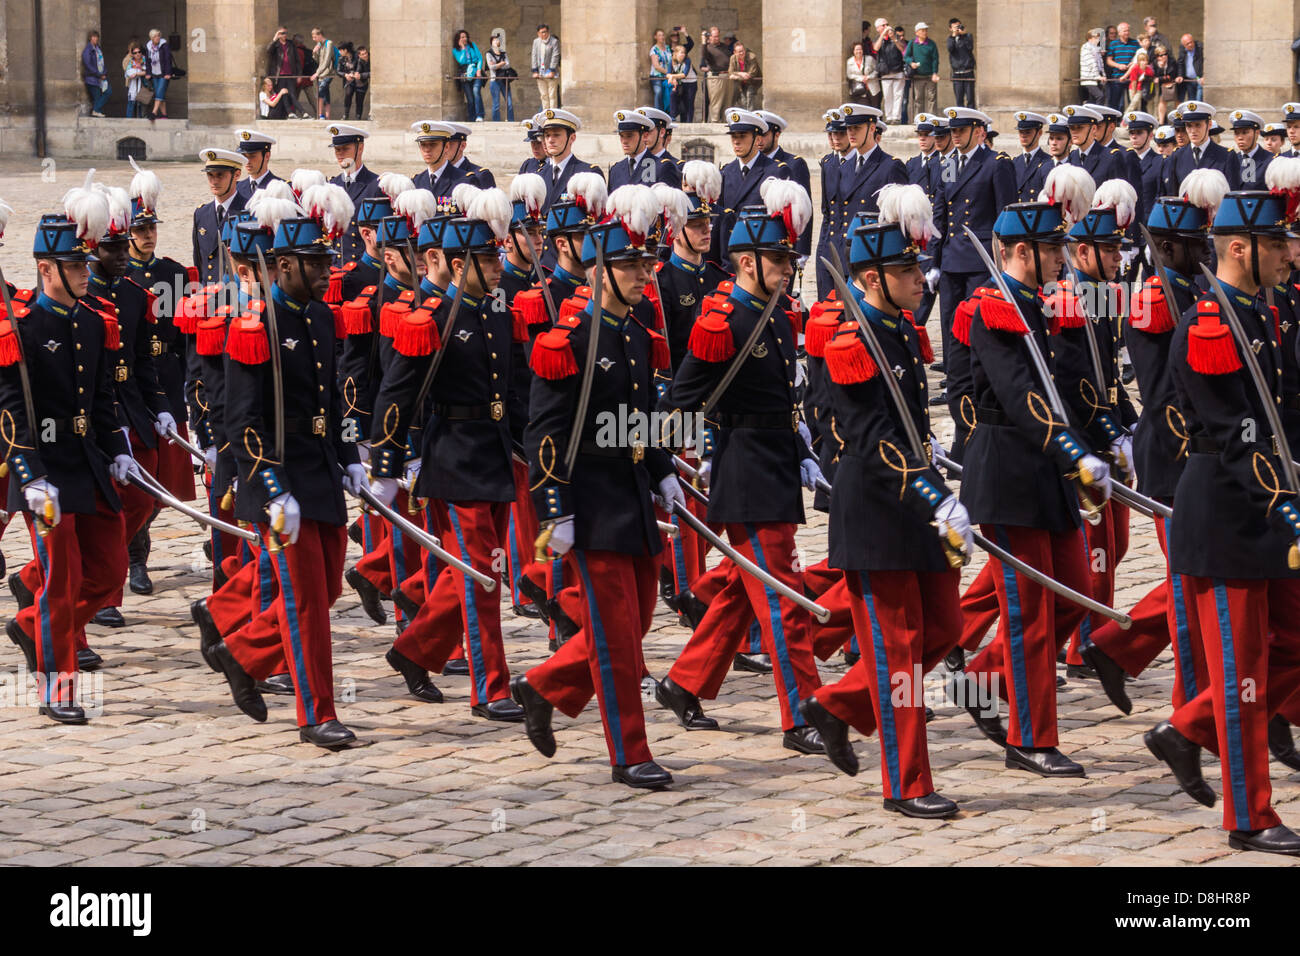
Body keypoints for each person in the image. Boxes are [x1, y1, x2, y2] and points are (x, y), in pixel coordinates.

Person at [799, 187, 971, 818]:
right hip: (875, 512)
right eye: (905, 272)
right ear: (872, 278)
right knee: (897, 653)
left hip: (916, 511)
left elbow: (911, 432)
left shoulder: (898, 331)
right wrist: (937, 496)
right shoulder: (852, 341)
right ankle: (906, 783)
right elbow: (873, 443)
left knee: (947, 630)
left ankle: (841, 704)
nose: (919, 280)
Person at [1144, 186, 1300, 855]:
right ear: (1241, 248)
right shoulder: (1210, 324)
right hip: (1228, 517)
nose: (1288, 255)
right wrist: (1287, 503)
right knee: (1241, 676)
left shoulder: (1261, 316)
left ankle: (1185, 730)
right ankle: (1250, 815)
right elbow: (1235, 436)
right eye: (1275, 244)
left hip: (1262, 510)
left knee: (1279, 653)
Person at [512, 188, 681, 789]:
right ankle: (629, 751)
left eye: (646, 263)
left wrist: (662, 468)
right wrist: (553, 508)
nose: (645, 274)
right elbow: (545, 433)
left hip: (631, 495)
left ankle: (542, 686)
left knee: (634, 626)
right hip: (589, 500)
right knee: (613, 638)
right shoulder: (569, 338)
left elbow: (643, 416)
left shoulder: (634, 334)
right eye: (633, 265)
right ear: (601, 269)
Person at [654, 184, 827, 756]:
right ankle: (801, 714)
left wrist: (800, 440)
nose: (786, 268)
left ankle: (684, 683)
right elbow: (681, 399)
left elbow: (780, 392)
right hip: (746, 473)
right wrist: (659, 460)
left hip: (776, 463)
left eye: (789, 259)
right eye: (778, 259)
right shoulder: (722, 319)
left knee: (737, 593)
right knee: (783, 597)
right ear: (748, 262)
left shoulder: (774, 312)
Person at [0, 190, 134, 725]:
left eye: (85, 262)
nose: (85, 271)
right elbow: (10, 410)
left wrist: (120, 450)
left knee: (108, 572)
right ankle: (56, 689)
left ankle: (32, 626)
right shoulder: (23, 326)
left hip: (89, 465)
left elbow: (103, 399)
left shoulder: (93, 323)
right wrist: (29, 478)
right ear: (45, 268)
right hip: (46, 474)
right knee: (61, 581)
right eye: (75, 264)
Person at [327, 124, 383, 265]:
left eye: (345, 149)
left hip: (362, 267)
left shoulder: (375, 185)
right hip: (336, 267)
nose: (340, 154)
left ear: (360, 148)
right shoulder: (331, 185)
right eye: (337, 149)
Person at [191, 148, 247, 285]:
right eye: (210, 175)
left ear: (237, 175)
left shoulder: (248, 211)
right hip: (208, 294)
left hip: (236, 295)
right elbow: (199, 260)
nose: (214, 181)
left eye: (220, 175)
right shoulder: (201, 213)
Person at [266, 27, 303, 119]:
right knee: (283, 95)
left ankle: (302, 112)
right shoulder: (276, 45)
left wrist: (299, 75)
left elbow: (297, 61)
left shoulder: (291, 44)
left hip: (290, 74)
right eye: (282, 33)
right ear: (278, 34)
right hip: (279, 75)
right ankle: (289, 113)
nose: (284, 35)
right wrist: (274, 38)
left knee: (292, 94)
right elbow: (268, 50)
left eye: (285, 33)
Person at [905, 23, 939, 118]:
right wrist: (911, 63)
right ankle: (919, 119)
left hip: (929, 76)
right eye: (922, 30)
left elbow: (935, 59)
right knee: (918, 99)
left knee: (932, 98)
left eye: (926, 30)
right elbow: (906, 56)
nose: (925, 32)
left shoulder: (931, 44)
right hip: (917, 76)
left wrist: (935, 73)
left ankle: (932, 119)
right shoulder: (912, 43)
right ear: (917, 32)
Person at [874, 20, 905, 124]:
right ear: (878, 28)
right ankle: (889, 117)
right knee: (887, 95)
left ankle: (896, 117)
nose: (886, 26)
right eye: (883, 25)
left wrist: (894, 39)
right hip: (885, 71)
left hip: (897, 70)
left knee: (898, 95)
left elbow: (902, 49)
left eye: (887, 24)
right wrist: (883, 35)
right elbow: (876, 48)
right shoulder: (878, 39)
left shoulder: (896, 36)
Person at [1105, 22, 1140, 112]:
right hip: (1117, 76)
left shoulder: (1135, 43)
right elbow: (1108, 60)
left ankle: (1132, 121)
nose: (1127, 33)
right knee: (1115, 102)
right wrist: (1118, 65)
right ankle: (1114, 121)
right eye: (1124, 31)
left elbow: (1140, 57)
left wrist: (1133, 63)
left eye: (1128, 30)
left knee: (1132, 101)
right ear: (1119, 32)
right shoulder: (1113, 44)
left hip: (1132, 77)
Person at [452, 30, 485, 122]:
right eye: (462, 37)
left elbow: (479, 58)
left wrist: (479, 69)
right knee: (470, 97)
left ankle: (480, 115)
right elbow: (461, 61)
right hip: (464, 73)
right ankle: (472, 117)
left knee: (476, 92)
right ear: (458, 39)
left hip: (475, 71)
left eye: (465, 37)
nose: (465, 39)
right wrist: (462, 48)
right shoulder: (455, 50)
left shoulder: (472, 45)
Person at [701, 26, 732, 122]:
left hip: (727, 76)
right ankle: (714, 123)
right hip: (716, 77)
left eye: (718, 36)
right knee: (716, 103)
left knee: (727, 102)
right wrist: (703, 41)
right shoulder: (707, 47)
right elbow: (704, 55)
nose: (717, 38)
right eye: (714, 36)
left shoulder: (724, 46)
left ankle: (725, 122)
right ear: (710, 37)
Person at [485, 31, 515, 122]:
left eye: (498, 40)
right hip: (494, 81)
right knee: (496, 104)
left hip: (504, 80)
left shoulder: (503, 53)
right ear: (491, 42)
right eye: (494, 40)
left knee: (509, 102)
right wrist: (501, 63)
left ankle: (510, 120)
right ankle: (496, 122)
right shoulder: (488, 53)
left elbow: (508, 65)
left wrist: (498, 64)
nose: (496, 41)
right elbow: (491, 67)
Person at [144, 29, 173, 121]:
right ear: (152, 38)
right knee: (160, 95)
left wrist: (168, 73)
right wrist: (148, 73)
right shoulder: (148, 47)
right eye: (156, 36)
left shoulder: (164, 45)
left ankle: (154, 112)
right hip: (154, 73)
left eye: (159, 36)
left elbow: (168, 59)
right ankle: (164, 115)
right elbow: (148, 61)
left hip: (164, 74)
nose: (158, 38)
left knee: (159, 93)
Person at [947, 18, 975, 108]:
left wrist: (964, 35)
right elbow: (950, 49)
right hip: (957, 73)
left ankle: (971, 119)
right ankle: (961, 120)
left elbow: (970, 47)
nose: (957, 29)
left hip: (968, 72)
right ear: (950, 28)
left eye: (959, 26)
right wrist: (953, 36)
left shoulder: (968, 36)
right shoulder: (950, 39)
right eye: (955, 27)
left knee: (970, 98)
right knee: (959, 99)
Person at [531, 24, 560, 110]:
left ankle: (553, 114)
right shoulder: (536, 42)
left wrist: (552, 70)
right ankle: (546, 114)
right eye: (541, 32)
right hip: (540, 73)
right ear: (538, 33)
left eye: (545, 32)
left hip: (551, 73)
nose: (544, 34)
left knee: (552, 95)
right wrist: (534, 71)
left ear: (548, 32)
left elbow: (555, 56)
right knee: (544, 95)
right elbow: (534, 56)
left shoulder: (554, 41)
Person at [81, 30, 111, 117]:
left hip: (101, 77)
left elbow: (102, 62)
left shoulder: (98, 49)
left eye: (97, 37)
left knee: (108, 91)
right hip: (92, 79)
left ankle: (96, 110)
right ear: (90, 38)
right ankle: (96, 111)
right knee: (97, 97)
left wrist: (104, 73)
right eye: (94, 37)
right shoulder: (87, 51)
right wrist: (99, 74)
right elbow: (88, 66)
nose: (96, 38)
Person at [310, 27, 337, 121]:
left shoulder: (329, 43)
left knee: (320, 92)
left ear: (320, 35)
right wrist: (314, 53)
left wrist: (317, 73)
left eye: (315, 37)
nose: (314, 39)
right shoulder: (319, 44)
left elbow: (327, 60)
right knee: (325, 94)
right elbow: (318, 61)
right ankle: (327, 117)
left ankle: (320, 115)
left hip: (329, 73)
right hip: (321, 73)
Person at [666, 44, 697, 122]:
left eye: (684, 53)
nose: (683, 54)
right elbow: (668, 73)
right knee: (675, 97)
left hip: (691, 83)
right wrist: (671, 77)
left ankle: (689, 121)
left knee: (689, 102)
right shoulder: (672, 61)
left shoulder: (687, 60)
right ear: (676, 53)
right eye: (681, 52)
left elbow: (684, 75)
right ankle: (673, 116)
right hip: (681, 83)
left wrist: (672, 76)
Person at [727, 42, 760, 111]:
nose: (742, 53)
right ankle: (746, 117)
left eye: (743, 51)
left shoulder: (752, 57)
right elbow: (730, 72)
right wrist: (741, 74)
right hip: (741, 83)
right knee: (743, 100)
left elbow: (751, 74)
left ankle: (752, 118)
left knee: (750, 96)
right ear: (735, 52)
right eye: (739, 52)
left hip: (753, 81)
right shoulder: (732, 58)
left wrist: (735, 76)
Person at [846, 41, 878, 108]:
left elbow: (876, 70)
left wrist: (869, 77)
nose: (859, 51)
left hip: (872, 88)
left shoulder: (870, 59)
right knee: (864, 108)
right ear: (853, 51)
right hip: (859, 89)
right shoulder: (850, 61)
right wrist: (861, 78)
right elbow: (849, 75)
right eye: (857, 49)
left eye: (860, 49)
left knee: (875, 108)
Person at [1079, 28, 1106, 105]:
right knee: (1100, 96)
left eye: (1098, 38)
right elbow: (1091, 63)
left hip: (1097, 79)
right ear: (1089, 38)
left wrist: (1103, 75)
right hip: (1089, 78)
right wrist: (1098, 76)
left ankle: (1088, 111)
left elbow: (1100, 64)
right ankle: (1097, 115)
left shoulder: (1097, 49)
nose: (1098, 40)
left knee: (1093, 100)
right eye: (1095, 38)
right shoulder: (1086, 47)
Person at [1151, 45, 1178, 122]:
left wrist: (1161, 78)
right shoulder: (1155, 63)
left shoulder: (1172, 61)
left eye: (1165, 54)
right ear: (1157, 57)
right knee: (1162, 101)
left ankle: (1177, 119)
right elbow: (1154, 75)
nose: (1164, 56)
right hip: (1161, 86)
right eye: (1161, 55)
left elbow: (1172, 74)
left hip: (1173, 84)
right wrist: (1161, 68)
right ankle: (1161, 122)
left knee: (1177, 101)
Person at [649, 30, 673, 115]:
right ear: (655, 37)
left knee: (669, 92)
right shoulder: (654, 49)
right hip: (656, 76)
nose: (662, 37)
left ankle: (668, 113)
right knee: (658, 92)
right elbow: (656, 66)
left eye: (663, 35)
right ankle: (657, 114)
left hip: (667, 76)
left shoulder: (668, 48)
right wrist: (668, 72)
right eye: (659, 35)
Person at [342, 45, 369, 120]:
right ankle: (346, 115)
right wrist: (355, 74)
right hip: (354, 82)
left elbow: (373, 72)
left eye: (366, 53)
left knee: (359, 101)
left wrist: (361, 75)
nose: (365, 55)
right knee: (348, 96)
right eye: (363, 54)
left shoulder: (371, 59)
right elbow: (357, 69)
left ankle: (358, 117)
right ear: (359, 56)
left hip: (363, 84)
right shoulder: (359, 61)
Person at [1176, 34, 1204, 102]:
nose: (1190, 44)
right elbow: (1180, 63)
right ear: (1184, 45)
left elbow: (1207, 62)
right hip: (1189, 81)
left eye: (1191, 42)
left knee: (1199, 101)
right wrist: (1180, 75)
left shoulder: (1200, 47)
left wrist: (1204, 76)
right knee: (1191, 102)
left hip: (1200, 79)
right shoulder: (1182, 49)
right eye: (1187, 44)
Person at [124, 44, 148, 118]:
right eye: (135, 53)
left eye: (139, 52)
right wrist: (138, 72)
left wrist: (137, 73)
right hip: (134, 85)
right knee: (131, 103)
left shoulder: (145, 60)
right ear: (132, 54)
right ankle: (129, 120)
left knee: (142, 105)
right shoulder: (131, 62)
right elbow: (127, 73)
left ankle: (141, 120)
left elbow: (148, 72)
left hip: (144, 85)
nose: (137, 54)